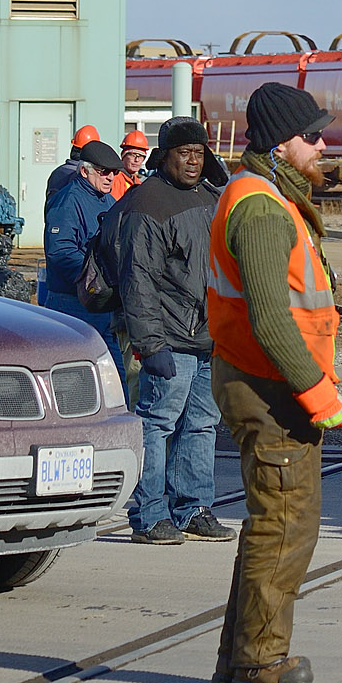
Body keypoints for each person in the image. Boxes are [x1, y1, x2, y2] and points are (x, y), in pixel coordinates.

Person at [206, 83, 342, 683]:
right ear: (280, 143)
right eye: (312, 135)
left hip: (262, 383)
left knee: (272, 521)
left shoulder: (266, 196)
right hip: (271, 390)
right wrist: (318, 392)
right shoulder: (262, 207)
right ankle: (263, 660)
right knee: (285, 524)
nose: (322, 144)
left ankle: (241, 657)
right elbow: (270, 318)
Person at [113, 119, 229, 545]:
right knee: (157, 423)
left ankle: (193, 506)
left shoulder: (211, 198)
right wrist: (150, 344)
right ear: (166, 156)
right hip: (170, 339)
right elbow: (137, 280)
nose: (193, 161)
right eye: (184, 153)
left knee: (202, 423)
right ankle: (149, 514)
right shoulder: (149, 204)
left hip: (209, 337)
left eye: (199, 153)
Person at [41, 136, 125, 334]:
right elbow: (61, 251)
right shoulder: (68, 201)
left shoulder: (108, 200)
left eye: (114, 172)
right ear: (84, 171)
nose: (110, 177)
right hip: (72, 301)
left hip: (102, 300)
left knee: (113, 363)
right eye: (103, 171)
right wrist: (93, 280)